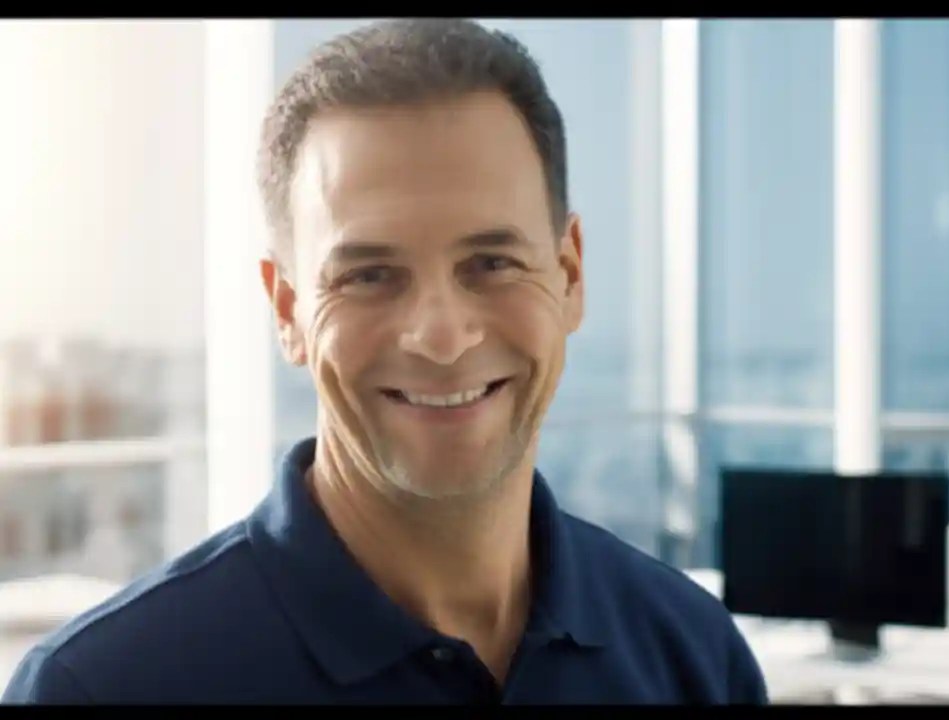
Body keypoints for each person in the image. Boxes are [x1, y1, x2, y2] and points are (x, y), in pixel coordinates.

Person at [2, 18, 768, 704]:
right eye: (369, 276)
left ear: (569, 276)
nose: (441, 336)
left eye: (492, 262)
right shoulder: (103, 688)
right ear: (287, 310)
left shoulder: (694, 655)